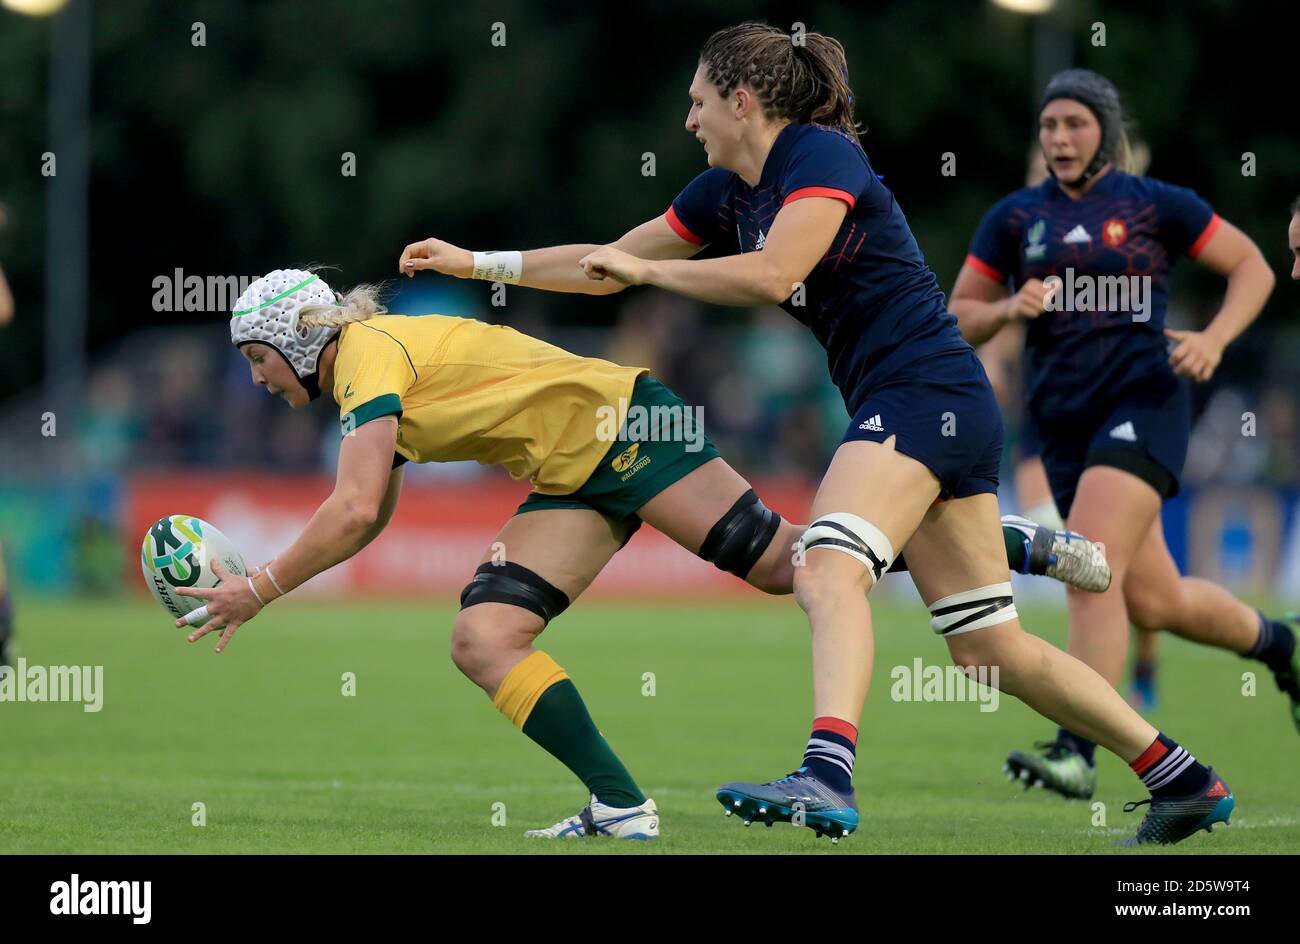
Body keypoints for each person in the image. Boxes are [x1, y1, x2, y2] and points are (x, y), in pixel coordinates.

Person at [396, 25, 1234, 845]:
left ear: (743, 99)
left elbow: (774, 274)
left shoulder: (819, 155)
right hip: (926, 405)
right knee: (993, 650)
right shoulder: (723, 194)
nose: (688, 122)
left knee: (824, 565)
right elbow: (604, 263)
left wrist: (653, 273)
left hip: (921, 393)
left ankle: (826, 770)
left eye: (697, 103)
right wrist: (478, 263)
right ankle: (1183, 778)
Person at [949, 68, 1295, 801]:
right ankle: (1283, 645)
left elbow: (1252, 268)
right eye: (1049, 126)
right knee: (1158, 602)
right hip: (1063, 422)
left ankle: (1079, 751)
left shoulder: (1155, 205)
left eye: (1075, 123)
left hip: (1144, 402)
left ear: (1106, 130)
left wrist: (1214, 339)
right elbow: (961, 313)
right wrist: (1011, 305)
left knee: (1088, 562)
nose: (1060, 138)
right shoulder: (1016, 218)